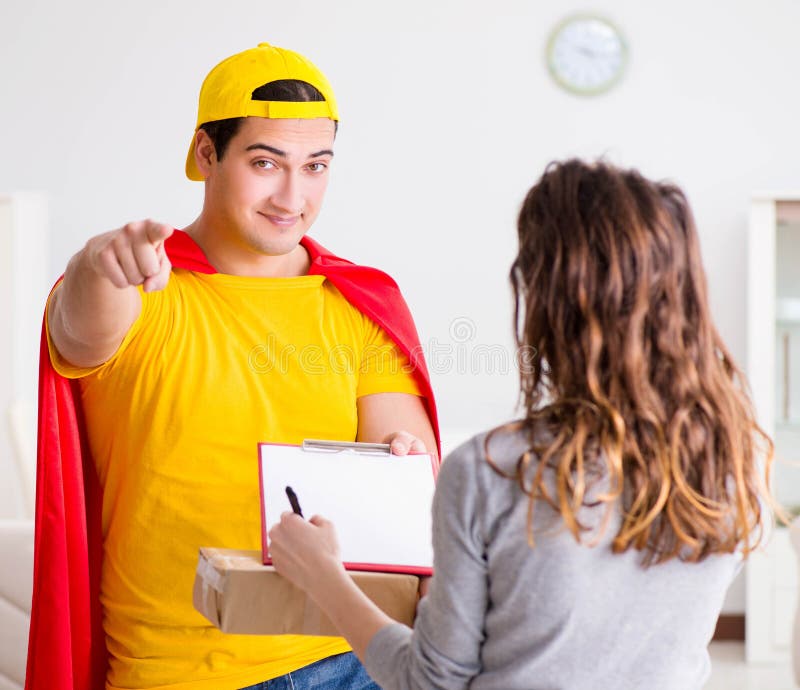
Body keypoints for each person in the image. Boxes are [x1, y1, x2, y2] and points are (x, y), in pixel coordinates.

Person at [268, 159, 774, 690]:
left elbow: (430, 682)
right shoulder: (736, 463)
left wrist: (325, 577)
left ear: (546, 300)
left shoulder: (492, 472)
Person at [26, 43, 439, 690]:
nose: (292, 196)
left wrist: (400, 462)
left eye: (316, 166)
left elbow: (402, 450)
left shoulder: (360, 302)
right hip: (176, 672)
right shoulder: (138, 289)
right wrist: (97, 261)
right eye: (266, 162)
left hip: (346, 657)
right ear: (205, 154)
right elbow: (76, 332)